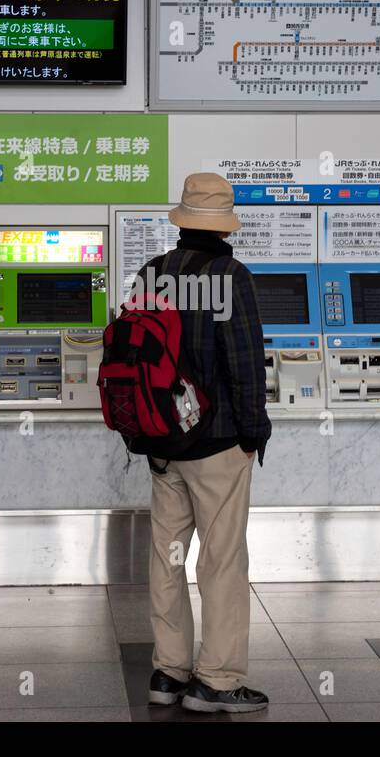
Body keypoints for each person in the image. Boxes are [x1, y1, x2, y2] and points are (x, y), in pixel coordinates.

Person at [135, 172, 273, 713]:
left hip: (163, 446)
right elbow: (244, 364)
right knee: (220, 561)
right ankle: (216, 679)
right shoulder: (230, 276)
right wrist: (252, 433)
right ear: (222, 224)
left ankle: (168, 673)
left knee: (167, 557)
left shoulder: (153, 273)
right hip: (216, 448)